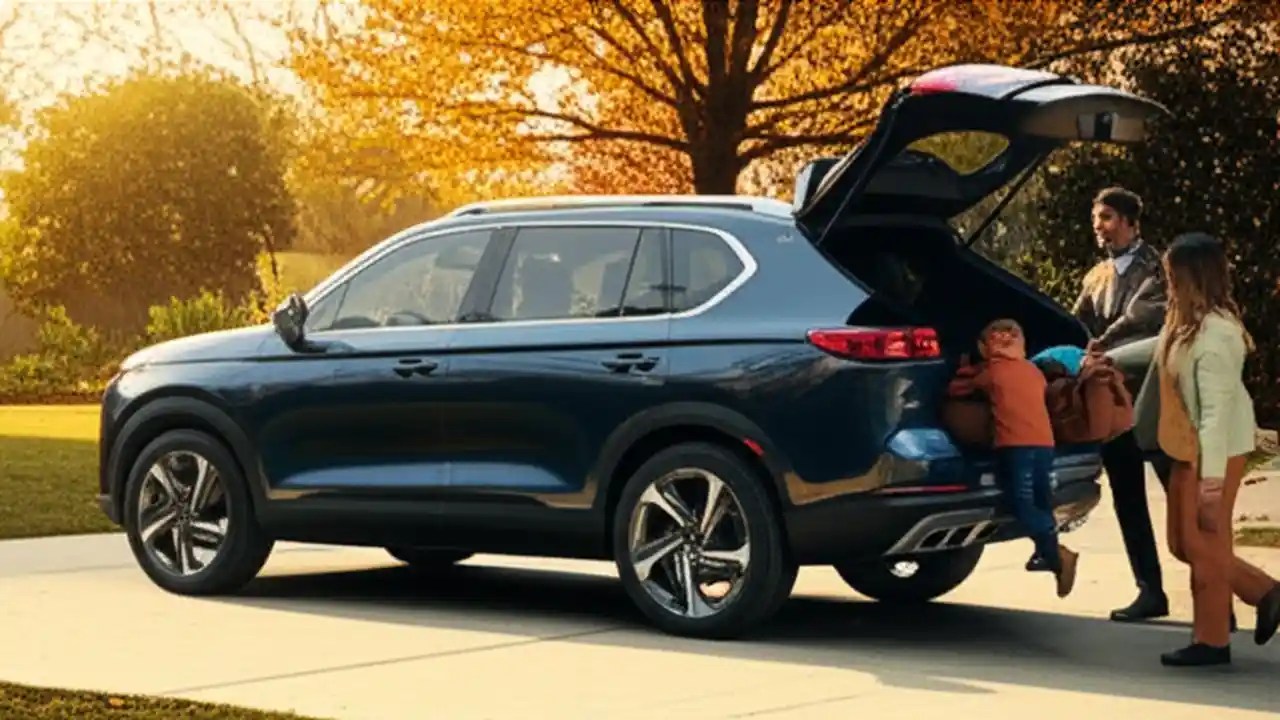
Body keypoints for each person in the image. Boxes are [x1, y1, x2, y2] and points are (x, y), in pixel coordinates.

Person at [1146, 232, 1280, 666]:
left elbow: (1217, 416)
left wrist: (1210, 485)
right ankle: (1265, 593)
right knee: (1185, 543)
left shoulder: (1217, 335)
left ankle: (1212, 640)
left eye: (1172, 276)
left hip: (1212, 449)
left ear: (1191, 276)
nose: (1167, 284)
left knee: (1202, 541)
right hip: (1191, 446)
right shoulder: (1189, 324)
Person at [1070, 187, 1172, 622]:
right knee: (1127, 496)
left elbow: (1142, 320)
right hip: (1112, 399)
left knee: (1182, 502)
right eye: (1096, 219)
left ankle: (1214, 597)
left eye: (1108, 218)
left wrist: (1097, 345)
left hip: (1157, 397)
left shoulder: (1161, 269)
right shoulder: (1095, 276)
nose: (1100, 227)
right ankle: (1149, 589)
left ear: (1132, 221)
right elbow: (1077, 321)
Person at [949, 319, 1079, 597]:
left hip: (1014, 445)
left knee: (1020, 502)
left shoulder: (991, 372)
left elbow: (957, 391)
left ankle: (1056, 552)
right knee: (1042, 498)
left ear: (985, 348)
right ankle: (1045, 553)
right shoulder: (1034, 371)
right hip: (1045, 443)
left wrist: (963, 367)